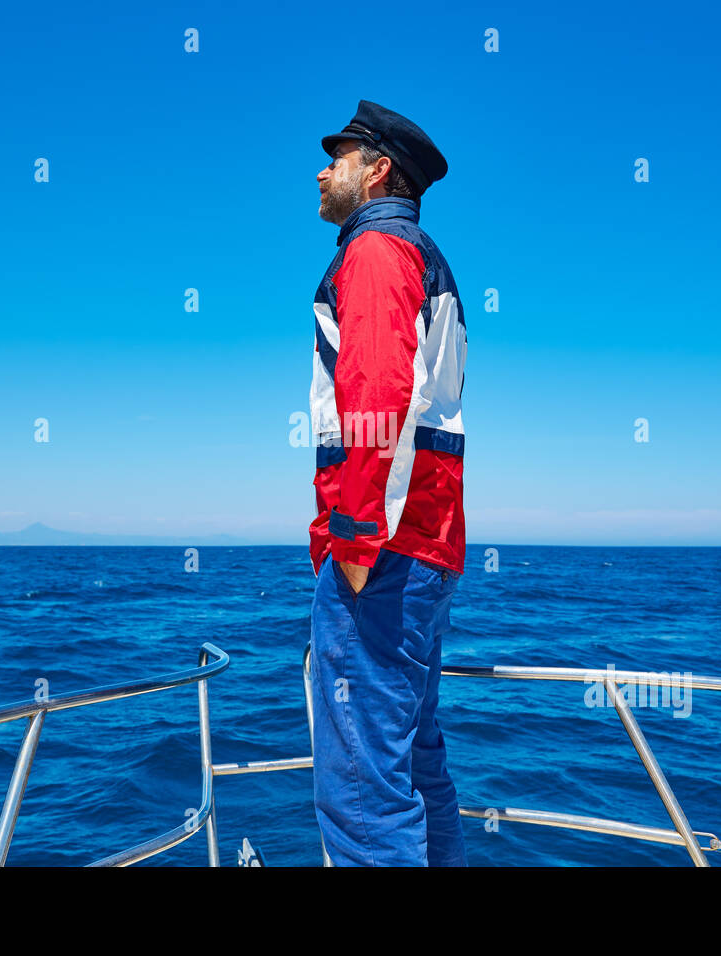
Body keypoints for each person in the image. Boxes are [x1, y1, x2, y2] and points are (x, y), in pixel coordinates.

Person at [307, 99, 469, 866]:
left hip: (384, 550)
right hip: (429, 549)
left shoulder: (374, 253)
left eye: (336, 158)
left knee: (364, 788)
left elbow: (374, 393)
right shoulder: (424, 258)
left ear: (376, 172)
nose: (319, 171)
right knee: (413, 761)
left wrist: (353, 536)